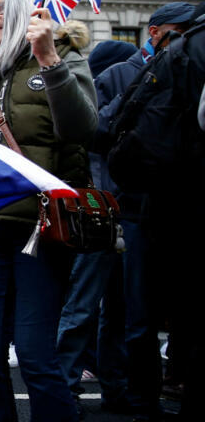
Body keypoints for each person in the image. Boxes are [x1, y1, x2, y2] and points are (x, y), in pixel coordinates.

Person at [0, 0, 96, 422]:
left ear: (26, 11)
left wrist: (49, 60)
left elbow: (83, 128)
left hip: (40, 231)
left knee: (33, 354)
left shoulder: (63, 58)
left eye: (0, 8)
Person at [93, 2, 195, 421]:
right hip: (132, 209)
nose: (188, 40)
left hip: (178, 206)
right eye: (181, 32)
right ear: (155, 33)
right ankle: (136, 398)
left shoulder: (191, 72)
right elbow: (98, 133)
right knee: (131, 312)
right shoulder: (121, 75)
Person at [54, 39, 139, 415]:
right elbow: (94, 134)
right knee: (85, 305)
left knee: (113, 308)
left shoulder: (102, 86)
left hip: (117, 210)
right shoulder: (101, 91)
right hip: (99, 212)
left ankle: (110, 388)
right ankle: (67, 388)